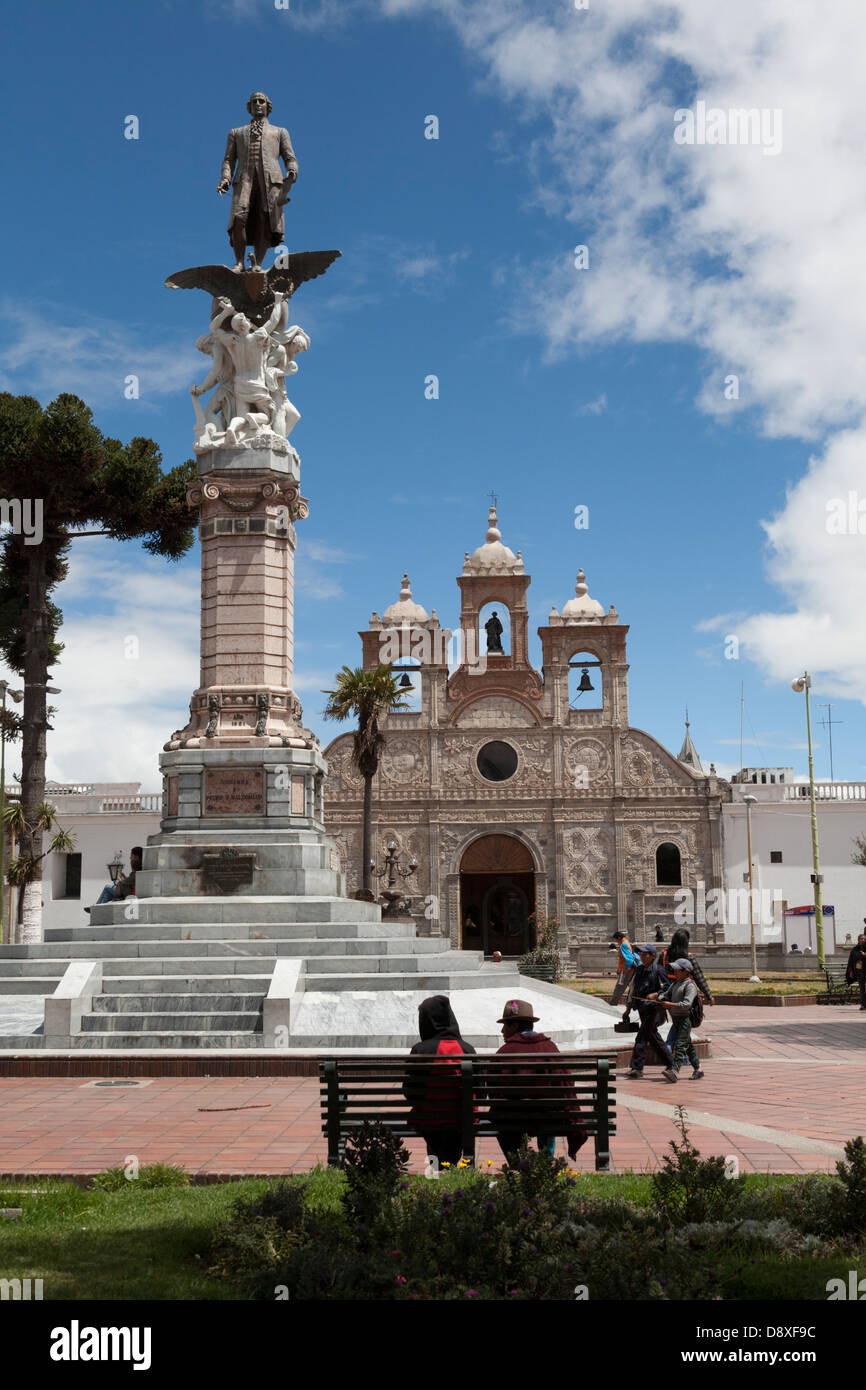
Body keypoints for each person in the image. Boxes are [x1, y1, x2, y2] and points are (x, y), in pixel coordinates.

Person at [488, 999, 587, 1161]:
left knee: (502, 1119)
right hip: (549, 1118)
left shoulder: (505, 1052)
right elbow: (566, 1088)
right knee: (549, 1115)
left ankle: (516, 1163)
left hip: (513, 1121)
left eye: (505, 1025)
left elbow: (493, 1091)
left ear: (514, 1026)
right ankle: (545, 1161)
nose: (502, 1030)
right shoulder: (550, 1049)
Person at [217, 92, 298, 271]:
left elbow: (290, 158)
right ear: (249, 107)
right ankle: (239, 262)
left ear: (268, 106)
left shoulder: (280, 132)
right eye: (254, 102)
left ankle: (258, 264)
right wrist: (225, 178)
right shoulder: (236, 133)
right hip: (244, 179)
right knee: (239, 217)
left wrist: (292, 171)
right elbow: (229, 160)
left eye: (261, 101)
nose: (257, 104)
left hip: (271, 180)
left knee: (265, 219)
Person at [403, 996, 476, 1167]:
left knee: (435, 1134)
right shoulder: (467, 1049)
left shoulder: (420, 1050)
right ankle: (449, 1162)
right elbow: (479, 1093)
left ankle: (439, 1163)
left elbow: (410, 1092)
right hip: (461, 1119)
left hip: (428, 1119)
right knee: (451, 1143)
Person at [648, 959, 705, 1083]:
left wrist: (670, 1004)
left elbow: (686, 1004)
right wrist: (658, 998)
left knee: (680, 1045)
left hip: (685, 1020)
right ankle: (698, 1069)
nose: (675, 971)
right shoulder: (675, 983)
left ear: (685, 971)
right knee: (687, 1045)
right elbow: (667, 994)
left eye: (677, 969)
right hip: (676, 1020)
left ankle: (674, 1071)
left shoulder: (690, 986)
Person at [623, 945, 674, 1079]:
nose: (642, 957)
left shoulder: (658, 970)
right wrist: (628, 1008)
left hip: (654, 1010)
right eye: (641, 954)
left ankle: (637, 1068)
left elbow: (668, 988)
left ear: (652, 956)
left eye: (646, 954)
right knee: (653, 1037)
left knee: (641, 1037)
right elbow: (633, 990)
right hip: (642, 1008)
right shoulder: (639, 970)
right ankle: (671, 1063)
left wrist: (656, 994)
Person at [660, 927, 713, 1047]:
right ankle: (675, 1052)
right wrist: (708, 995)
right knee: (682, 1025)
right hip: (685, 995)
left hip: (669, 996)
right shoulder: (689, 957)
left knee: (679, 1024)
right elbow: (699, 978)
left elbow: (658, 974)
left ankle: (680, 1052)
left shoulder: (664, 956)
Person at [86, 848, 142, 914]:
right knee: (107, 894)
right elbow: (130, 881)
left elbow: (128, 881)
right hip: (126, 892)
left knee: (107, 887)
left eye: (131, 856)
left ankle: (96, 908)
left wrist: (119, 884)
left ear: (136, 857)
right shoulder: (139, 870)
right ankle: (97, 908)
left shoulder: (138, 871)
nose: (130, 858)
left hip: (126, 895)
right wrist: (124, 877)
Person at [610, 929, 637, 1004]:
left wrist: (625, 969)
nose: (615, 941)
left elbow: (630, 959)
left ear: (618, 938)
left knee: (620, 986)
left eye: (615, 939)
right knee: (629, 986)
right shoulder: (625, 942)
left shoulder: (624, 944)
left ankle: (613, 1002)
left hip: (627, 969)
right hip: (627, 969)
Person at [846, 930, 866, 1010]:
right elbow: (851, 961)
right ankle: (863, 1004)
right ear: (858, 940)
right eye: (861, 938)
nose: (863, 940)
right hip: (859, 971)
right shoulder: (855, 949)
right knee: (862, 988)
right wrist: (851, 971)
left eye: (864, 939)